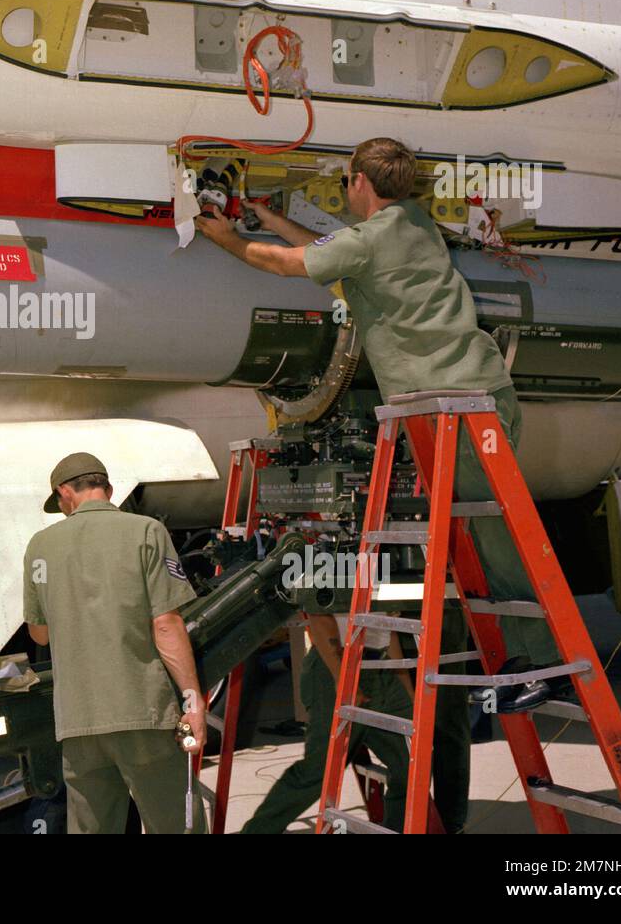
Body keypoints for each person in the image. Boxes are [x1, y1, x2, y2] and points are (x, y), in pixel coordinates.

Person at [195, 137, 565, 826]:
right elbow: (334, 245)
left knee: (494, 533)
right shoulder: (411, 226)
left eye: (346, 183)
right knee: (476, 530)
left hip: (458, 405)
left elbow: (291, 264)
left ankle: (539, 663)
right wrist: (269, 217)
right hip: (459, 399)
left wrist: (221, 234)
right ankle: (525, 660)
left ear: (359, 180)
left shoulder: (375, 240)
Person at [23, 452, 208, 834]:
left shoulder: (40, 546)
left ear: (64, 494)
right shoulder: (146, 531)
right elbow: (166, 625)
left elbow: (39, 633)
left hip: (77, 721)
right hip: (142, 711)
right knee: (177, 824)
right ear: (107, 489)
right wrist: (193, 701)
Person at [242, 611, 413, 833]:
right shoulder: (335, 576)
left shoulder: (382, 576)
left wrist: (407, 688)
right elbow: (318, 617)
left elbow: (388, 630)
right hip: (336, 666)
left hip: (380, 667)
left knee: (411, 762)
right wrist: (342, 677)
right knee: (318, 771)